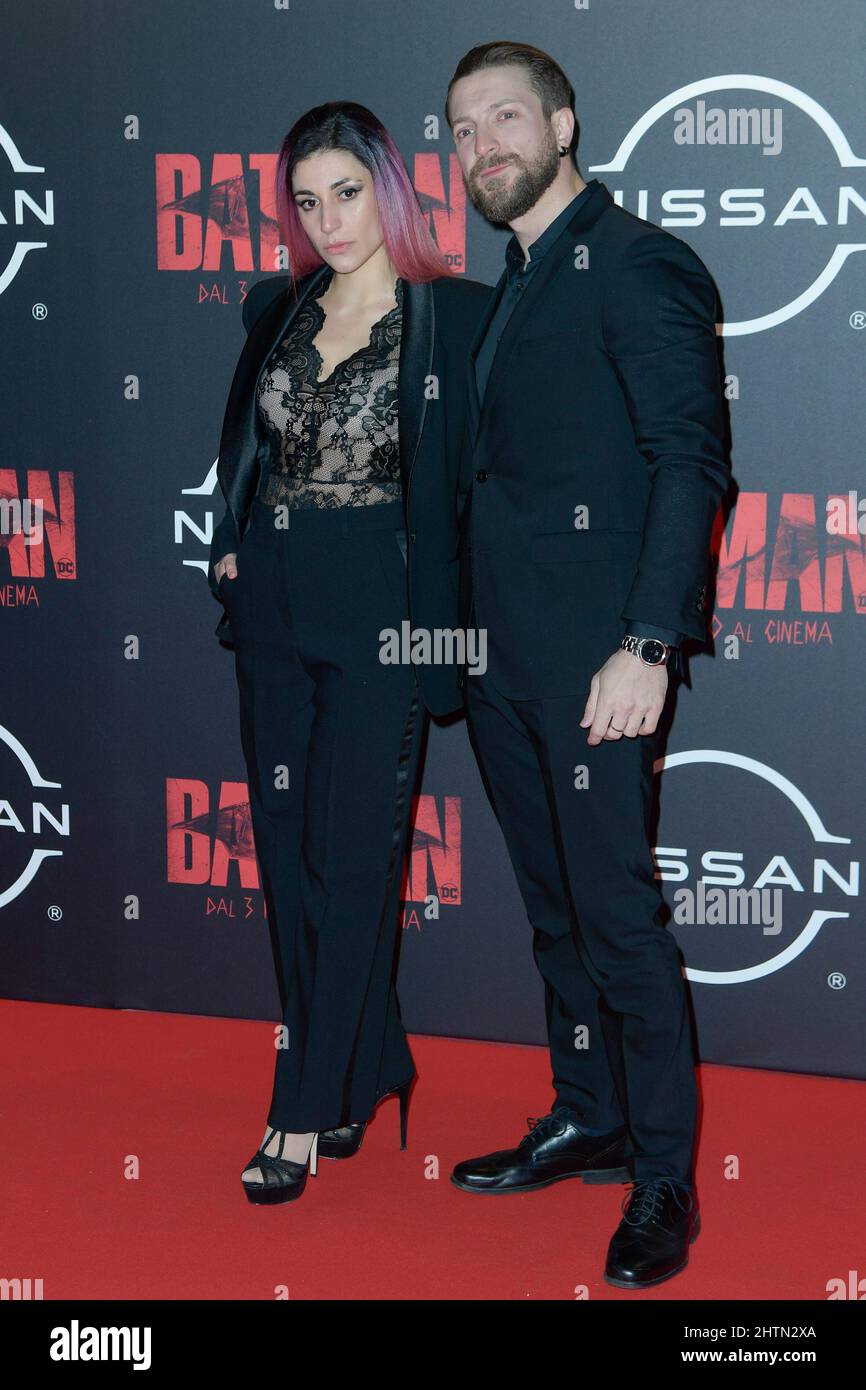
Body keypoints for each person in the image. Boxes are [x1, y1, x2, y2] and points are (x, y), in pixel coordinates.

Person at [444, 42, 730, 1287]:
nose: (480, 144)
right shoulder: (504, 278)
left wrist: (647, 643)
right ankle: (590, 1114)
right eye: (459, 130)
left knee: (615, 917)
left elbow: (689, 463)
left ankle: (663, 1177)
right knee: (554, 915)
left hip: (600, 663)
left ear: (564, 123)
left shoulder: (638, 262)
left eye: (504, 116)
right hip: (504, 663)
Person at [207, 101, 491, 1204]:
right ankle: (369, 1061)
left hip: (388, 613)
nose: (327, 219)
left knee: (356, 854)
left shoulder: (455, 317)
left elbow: (486, 481)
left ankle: (301, 1104)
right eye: (307, 200)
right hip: (274, 609)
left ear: (391, 188)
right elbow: (241, 448)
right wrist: (231, 547)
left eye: (347, 191)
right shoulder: (271, 309)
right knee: (286, 854)